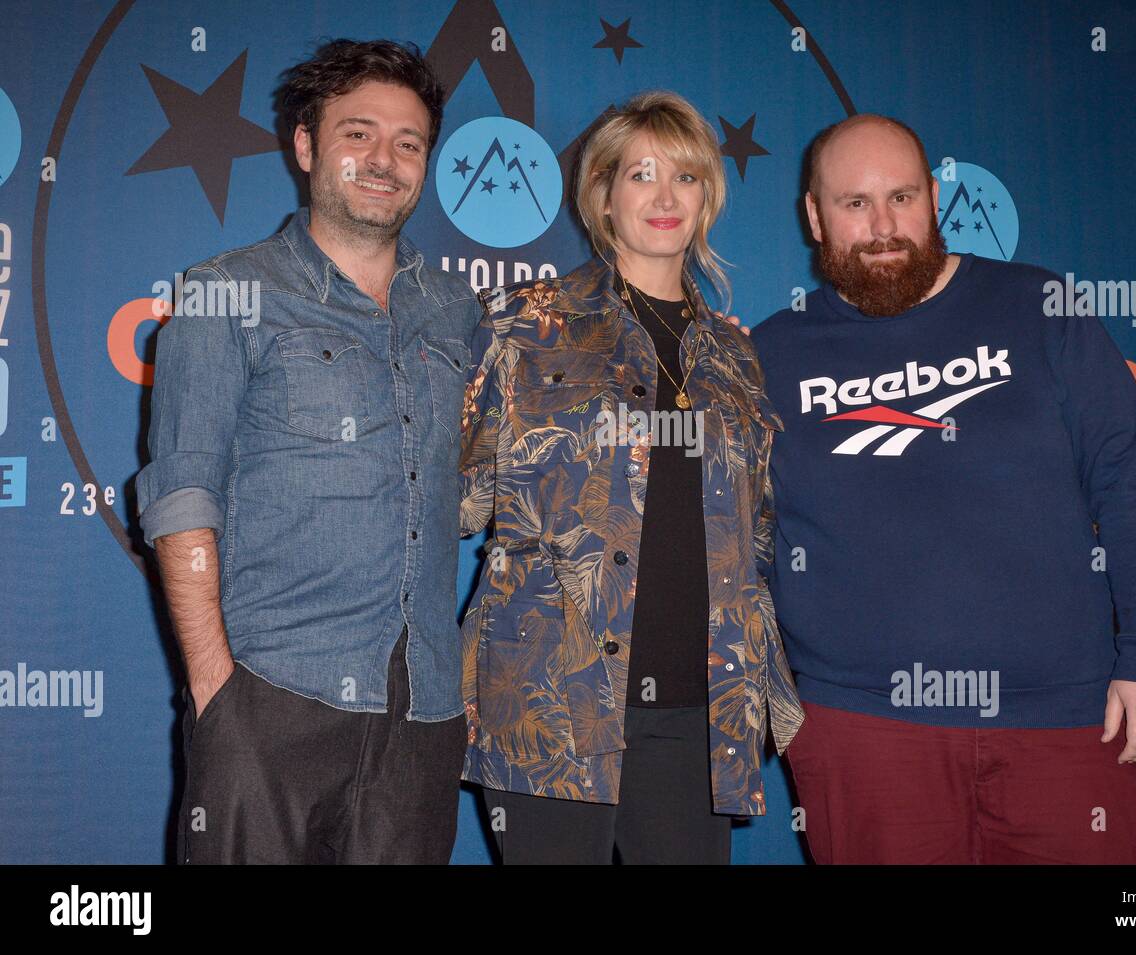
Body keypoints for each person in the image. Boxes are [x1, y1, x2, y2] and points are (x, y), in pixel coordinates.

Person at [752, 114, 1136, 864]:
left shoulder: (1041, 308)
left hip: (1064, 720)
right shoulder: (768, 354)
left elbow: (1131, 485)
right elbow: (739, 542)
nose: (883, 225)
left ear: (935, 199)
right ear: (814, 217)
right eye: (854, 203)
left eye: (903, 197)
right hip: (864, 731)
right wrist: (785, 709)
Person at [135, 39, 477, 864]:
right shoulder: (229, 291)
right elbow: (183, 496)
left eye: (408, 142)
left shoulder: (457, 310)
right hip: (271, 698)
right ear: (305, 145)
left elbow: (470, 479)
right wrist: (218, 691)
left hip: (423, 713)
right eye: (357, 133)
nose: (383, 160)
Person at [458, 90, 803, 864]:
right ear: (604, 194)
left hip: (697, 705)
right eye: (641, 174)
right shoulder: (523, 322)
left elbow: (762, 532)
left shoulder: (736, 358)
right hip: (552, 694)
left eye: (685, 176)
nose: (665, 195)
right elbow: (455, 493)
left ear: (707, 196)